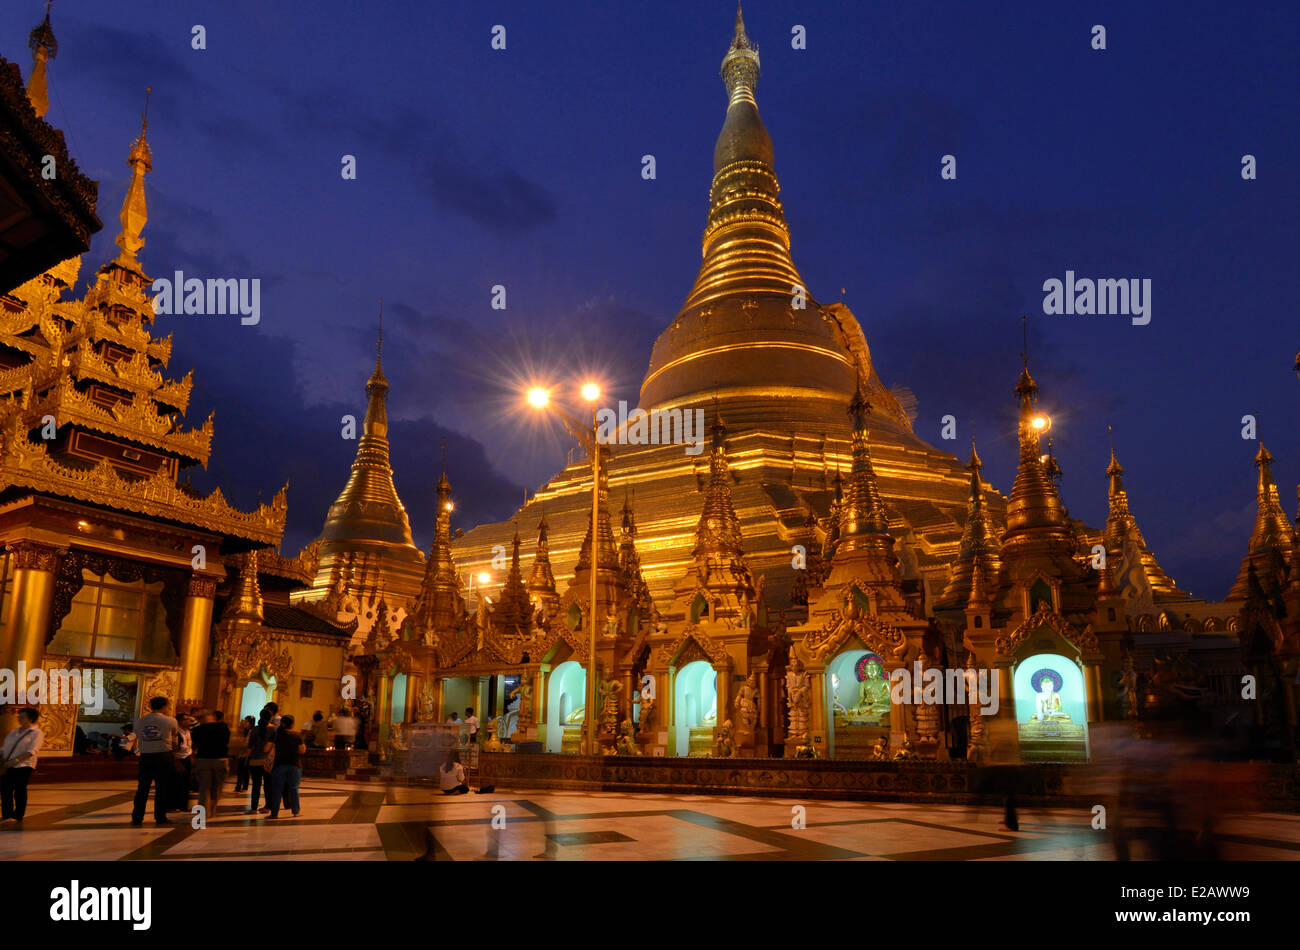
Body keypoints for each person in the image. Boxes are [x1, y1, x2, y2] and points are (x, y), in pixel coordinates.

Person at [131, 696, 178, 826]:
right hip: (163, 756)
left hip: (145, 756)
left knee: (142, 788)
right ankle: (160, 817)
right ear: (164, 706)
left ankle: (137, 817)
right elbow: (174, 736)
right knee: (162, 788)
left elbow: (138, 735)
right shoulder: (170, 721)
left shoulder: (140, 721)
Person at [1, 708, 43, 826]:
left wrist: (15, 761)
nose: (19, 718)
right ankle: (7, 815)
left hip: (24, 765)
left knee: (19, 789)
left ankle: (18, 815)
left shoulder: (36, 733)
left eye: (22, 717)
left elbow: (32, 751)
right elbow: (5, 748)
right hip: (8, 764)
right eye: (19, 716)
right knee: (5, 789)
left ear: (31, 718)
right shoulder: (15, 731)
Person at [191, 710, 230, 822]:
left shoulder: (197, 730)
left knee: (204, 788)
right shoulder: (223, 727)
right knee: (217, 788)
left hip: (203, 760)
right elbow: (227, 742)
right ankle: (212, 810)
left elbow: (195, 746)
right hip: (220, 759)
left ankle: (203, 814)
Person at [266, 714, 306, 819]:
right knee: (293, 788)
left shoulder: (276, 735)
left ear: (282, 723)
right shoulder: (297, 735)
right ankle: (296, 811)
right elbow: (302, 750)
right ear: (292, 725)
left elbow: (266, 748)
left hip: (279, 765)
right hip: (294, 765)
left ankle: (274, 813)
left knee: (277, 789)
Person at [245, 712, 275, 814]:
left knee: (256, 785)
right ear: (270, 718)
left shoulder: (255, 729)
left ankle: (253, 808)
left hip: (255, 760)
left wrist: (246, 758)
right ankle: (268, 807)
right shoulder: (272, 730)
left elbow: (250, 746)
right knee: (268, 785)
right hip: (267, 761)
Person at [171, 714, 196, 812]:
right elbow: (173, 747)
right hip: (178, 759)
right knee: (176, 783)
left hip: (187, 758)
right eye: (184, 719)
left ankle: (183, 805)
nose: (187, 721)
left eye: (188, 719)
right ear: (179, 721)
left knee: (186, 783)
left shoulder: (189, 732)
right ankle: (173, 805)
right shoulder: (176, 732)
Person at [232, 716, 254, 792]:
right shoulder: (243, 731)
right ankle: (240, 786)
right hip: (241, 753)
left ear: (251, 723)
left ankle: (242, 786)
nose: (245, 723)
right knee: (241, 770)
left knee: (244, 770)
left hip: (247, 754)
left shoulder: (252, 731)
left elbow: (247, 743)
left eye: (247, 721)